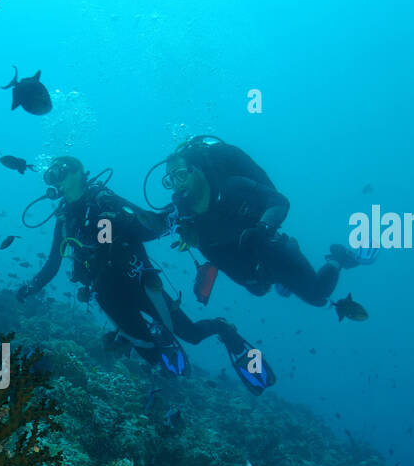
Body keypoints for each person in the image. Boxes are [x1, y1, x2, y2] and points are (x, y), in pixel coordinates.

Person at [16, 156, 274, 391]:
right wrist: (31, 286)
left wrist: (172, 212)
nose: (57, 179)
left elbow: (150, 227)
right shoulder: (64, 218)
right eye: (52, 175)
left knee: (192, 335)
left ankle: (223, 329)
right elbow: (53, 262)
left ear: (78, 173)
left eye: (61, 172)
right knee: (151, 354)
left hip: (139, 283)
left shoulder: (106, 201)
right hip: (106, 294)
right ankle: (159, 336)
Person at [161, 135, 365, 306]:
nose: (177, 185)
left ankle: (337, 259)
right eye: (170, 180)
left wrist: (264, 227)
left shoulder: (231, 187)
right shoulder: (181, 214)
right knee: (260, 290)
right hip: (251, 272)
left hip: (269, 247)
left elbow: (278, 201)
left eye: (180, 175)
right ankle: (282, 278)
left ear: (195, 170)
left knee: (317, 296)